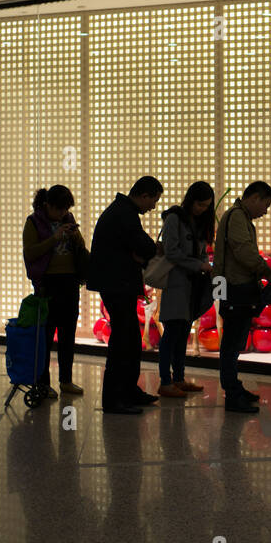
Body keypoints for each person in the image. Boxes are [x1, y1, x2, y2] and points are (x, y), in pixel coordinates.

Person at [87, 176, 163, 414]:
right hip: (117, 284)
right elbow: (144, 245)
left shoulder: (122, 210)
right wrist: (150, 250)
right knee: (122, 342)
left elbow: (137, 248)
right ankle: (114, 398)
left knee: (129, 340)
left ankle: (129, 390)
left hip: (118, 284)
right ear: (143, 195)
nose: (152, 207)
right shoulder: (124, 214)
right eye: (153, 201)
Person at [213, 181, 271, 414]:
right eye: (266, 205)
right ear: (255, 198)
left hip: (233, 286)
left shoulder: (238, 217)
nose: (265, 211)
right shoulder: (237, 217)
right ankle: (231, 392)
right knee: (231, 343)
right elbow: (245, 253)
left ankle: (235, 387)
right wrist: (267, 272)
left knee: (234, 341)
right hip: (234, 288)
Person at [23, 184, 90, 398]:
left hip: (70, 282)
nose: (62, 213)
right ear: (47, 205)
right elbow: (30, 253)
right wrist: (54, 238)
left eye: (65, 209)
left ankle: (66, 380)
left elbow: (81, 248)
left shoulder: (67, 220)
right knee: (46, 335)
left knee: (68, 333)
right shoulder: (34, 222)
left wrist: (74, 235)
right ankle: (43, 382)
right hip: (47, 283)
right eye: (58, 209)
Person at [156, 181, 214, 399]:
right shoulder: (174, 218)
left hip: (193, 285)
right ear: (191, 200)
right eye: (200, 204)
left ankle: (178, 378)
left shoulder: (199, 222)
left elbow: (200, 251)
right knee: (171, 333)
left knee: (183, 334)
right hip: (176, 283)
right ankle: (165, 381)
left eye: (207, 206)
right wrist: (198, 265)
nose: (202, 209)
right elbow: (172, 252)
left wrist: (203, 263)